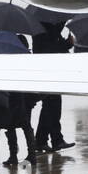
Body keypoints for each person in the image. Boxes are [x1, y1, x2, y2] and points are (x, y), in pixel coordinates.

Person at [32, 21, 75, 152]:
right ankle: (53, 140)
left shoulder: (45, 30)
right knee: (52, 105)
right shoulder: (45, 31)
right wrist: (67, 43)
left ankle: (44, 140)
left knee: (50, 106)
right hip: (48, 71)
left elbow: (56, 43)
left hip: (49, 70)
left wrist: (67, 42)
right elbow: (53, 46)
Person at [3, 36, 37, 165]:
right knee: (25, 126)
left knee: (13, 126)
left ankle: (14, 154)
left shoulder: (10, 58)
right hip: (24, 97)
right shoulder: (27, 58)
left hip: (16, 97)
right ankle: (30, 154)